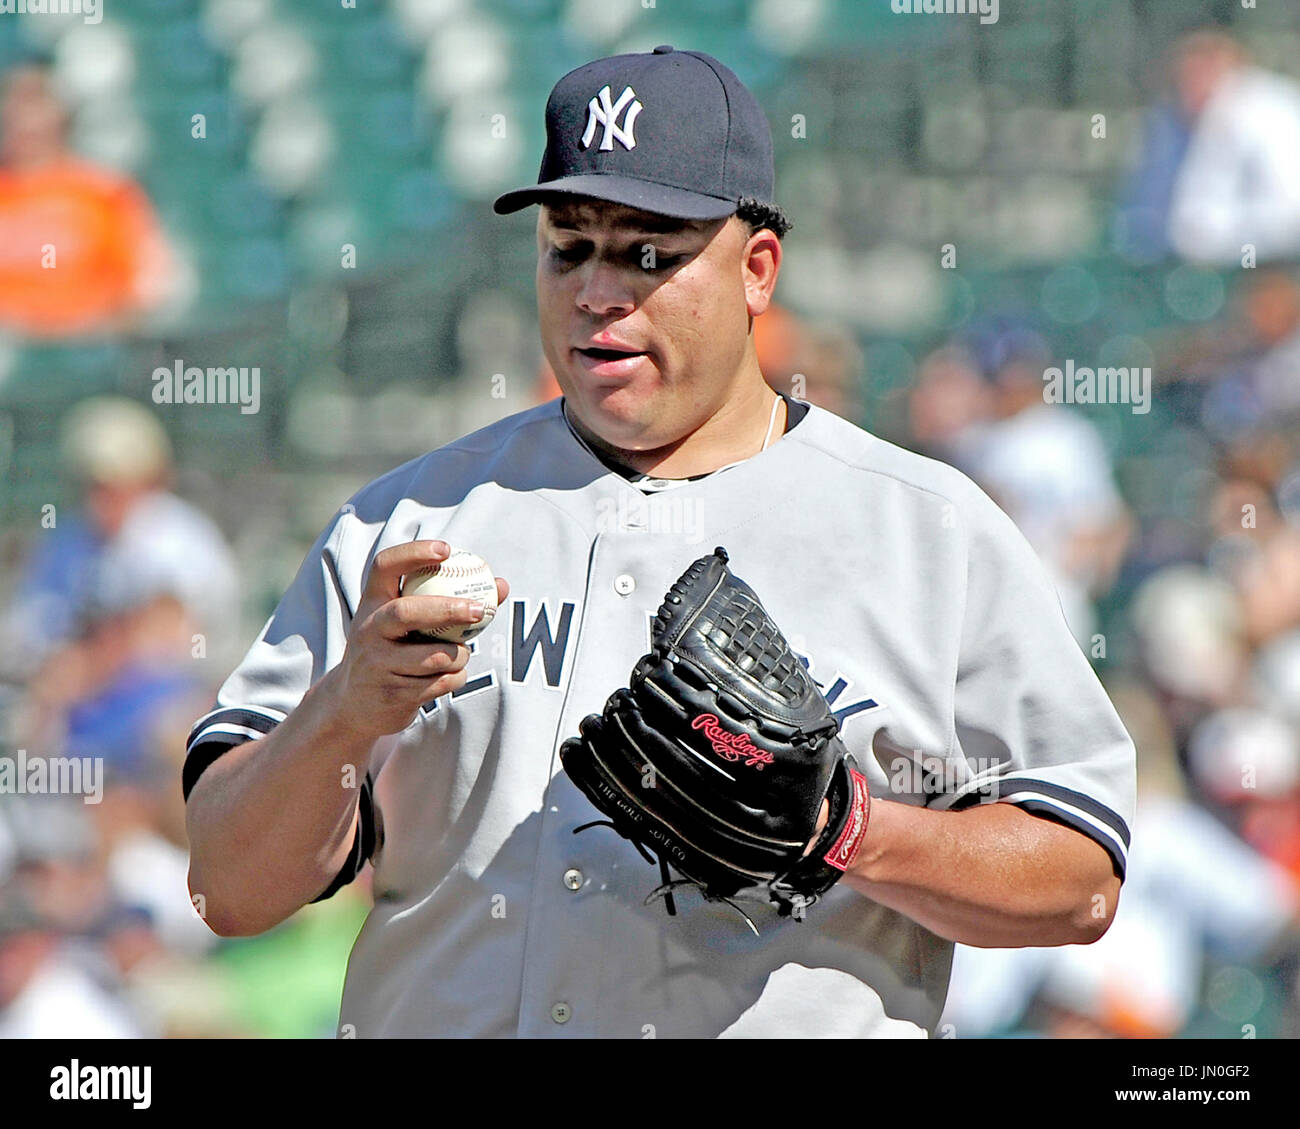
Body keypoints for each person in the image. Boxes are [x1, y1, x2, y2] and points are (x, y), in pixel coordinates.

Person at [184, 46, 1135, 1038]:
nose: (598, 290)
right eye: (569, 246)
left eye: (648, 251)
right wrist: (340, 713)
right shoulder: (405, 524)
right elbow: (228, 891)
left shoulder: (925, 530)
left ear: (757, 269)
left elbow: (1078, 882)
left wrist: (846, 828)